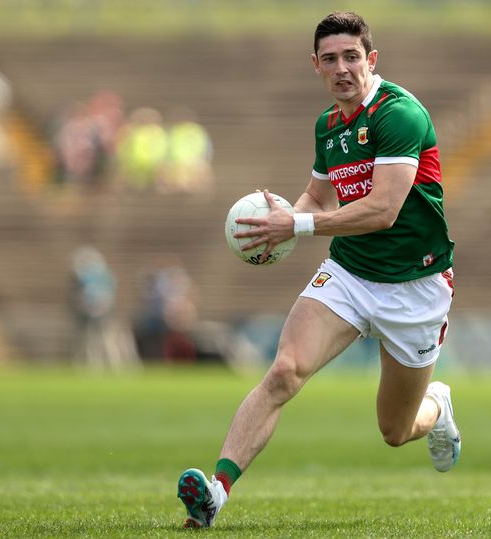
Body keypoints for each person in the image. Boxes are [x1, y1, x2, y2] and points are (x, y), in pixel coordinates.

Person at [176, 12, 460, 528]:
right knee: (284, 371)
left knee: (396, 430)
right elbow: (317, 195)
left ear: (370, 60)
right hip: (350, 275)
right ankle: (215, 493)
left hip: (416, 287)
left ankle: (438, 406)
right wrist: (279, 221)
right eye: (330, 59)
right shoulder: (328, 126)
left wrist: (300, 228)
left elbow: (383, 210)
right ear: (316, 66)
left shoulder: (400, 115)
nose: (342, 68)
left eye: (352, 56)